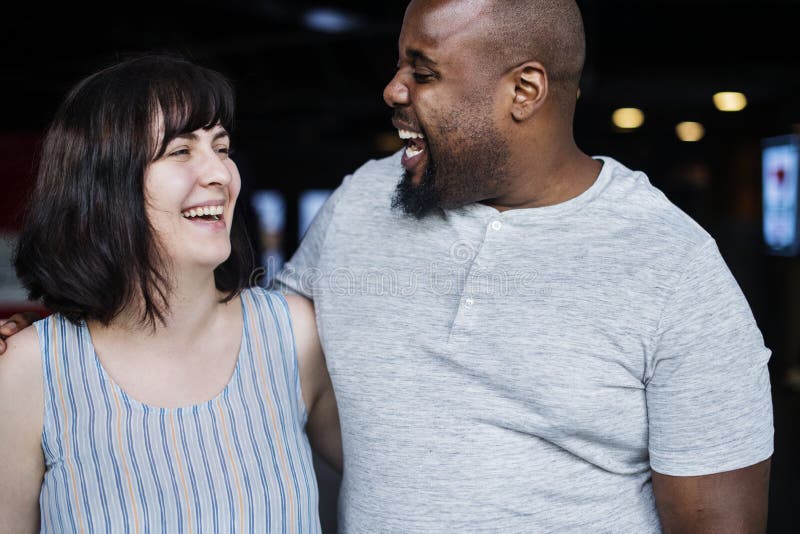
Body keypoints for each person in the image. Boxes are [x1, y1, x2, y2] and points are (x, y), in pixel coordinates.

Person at [2, 1, 774, 532]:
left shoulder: (674, 270)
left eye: (424, 70)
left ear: (524, 90)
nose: (392, 90)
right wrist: (42, 345)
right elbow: (220, 337)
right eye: (398, 63)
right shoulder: (365, 204)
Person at [0, 55, 340, 533]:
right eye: (180, 151)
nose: (220, 174)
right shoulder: (30, 370)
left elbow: (407, 476)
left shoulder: (294, 335)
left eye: (221, 148)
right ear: (103, 184)